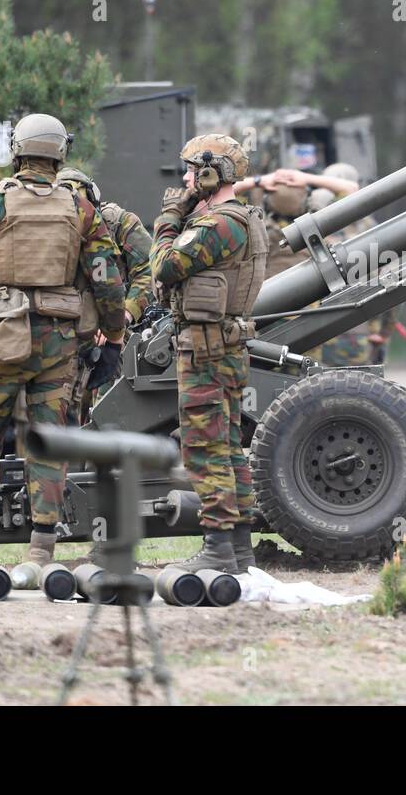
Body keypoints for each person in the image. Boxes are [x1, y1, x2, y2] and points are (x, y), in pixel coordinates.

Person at [0, 114, 126, 566]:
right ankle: (41, 552)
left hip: (0, 339)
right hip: (59, 342)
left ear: (17, 150)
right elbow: (107, 280)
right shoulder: (81, 209)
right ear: (59, 153)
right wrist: (116, 339)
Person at [152, 134, 269, 573]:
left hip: (206, 351)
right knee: (228, 447)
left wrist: (168, 219)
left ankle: (218, 549)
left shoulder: (219, 224)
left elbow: (164, 265)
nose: (184, 179)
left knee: (204, 450)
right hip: (223, 348)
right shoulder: (244, 218)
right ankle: (237, 550)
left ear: (210, 173)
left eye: (189, 170)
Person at [55, 166, 153, 424]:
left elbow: (150, 270)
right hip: (65, 332)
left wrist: (124, 317)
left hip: (115, 335)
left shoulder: (118, 223)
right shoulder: (46, 232)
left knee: (109, 414)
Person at [305, 163, 397, 365]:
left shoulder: (311, 229)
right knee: (361, 391)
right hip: (361, 332)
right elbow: (392, 279)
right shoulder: (371, 229)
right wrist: (384, 332)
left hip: (315, 332)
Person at [234, 166, 360, 277]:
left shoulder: (256, 229)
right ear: (306, 201)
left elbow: (220, 195)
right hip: (315, 297)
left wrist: (259, 181)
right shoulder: (318, 225)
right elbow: (352, 189)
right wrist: (306, 178)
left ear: (267, 203)